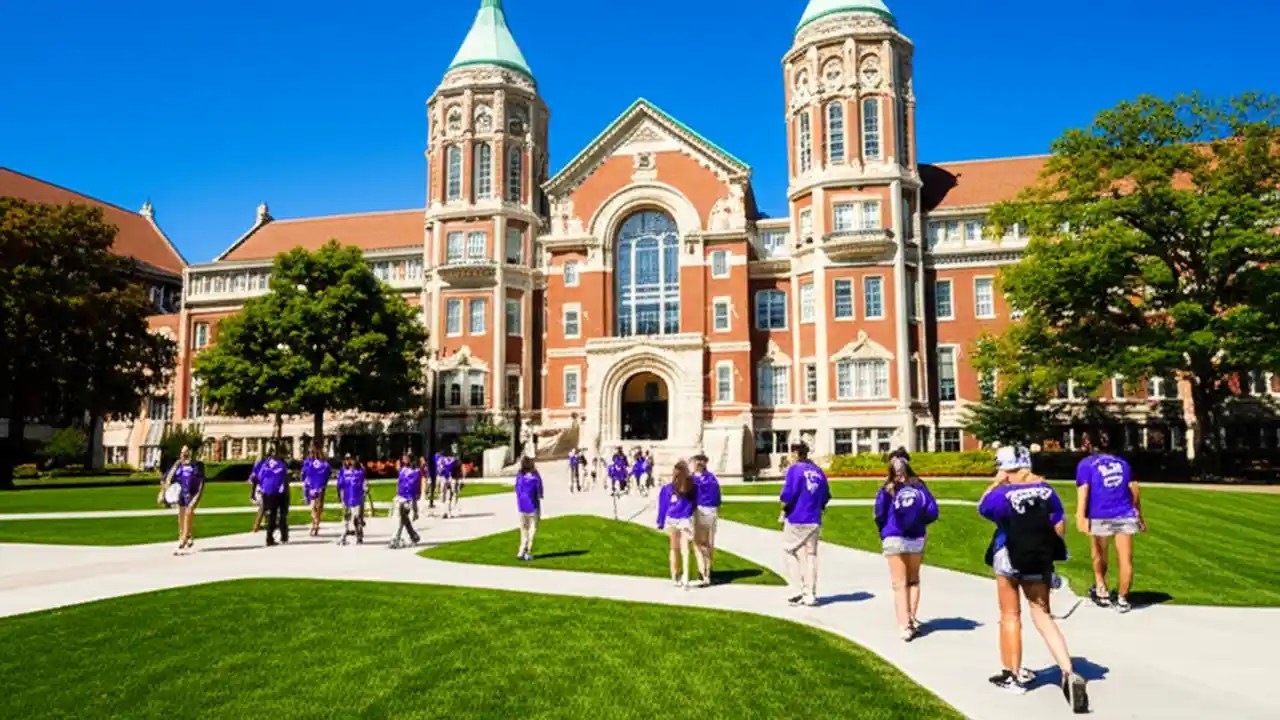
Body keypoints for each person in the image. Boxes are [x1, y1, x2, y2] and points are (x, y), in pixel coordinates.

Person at [979, 446, 1089, 713]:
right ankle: (1068, 670)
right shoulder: (1046, 490)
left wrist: (997, 483)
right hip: (1038, 558)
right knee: (1042, 614)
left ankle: (1012, 674)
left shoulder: (1001, 494)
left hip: (1007, 554)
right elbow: (1058, 524)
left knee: (1009, 615)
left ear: (1006, 469)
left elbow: (983, 508)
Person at [1075, 436, 1145, 612]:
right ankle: (1122, 598)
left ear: (1090, 445)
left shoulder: (1086, 464)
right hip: (1125, 514)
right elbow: (1134, 489)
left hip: (1100, 514)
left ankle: (1102, 589)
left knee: (1099, 554)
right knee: (1125, 559)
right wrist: (1138, 514)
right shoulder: (1123, 464)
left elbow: (1084, 491)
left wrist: (1081, 516)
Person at [874, 453, 939, 641]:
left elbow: (879, 513)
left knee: (898, 584)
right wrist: (920, 522)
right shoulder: (919, 486)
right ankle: (911, 618)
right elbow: (932, 511)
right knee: (913, 580)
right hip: (916, 537)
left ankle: (903, 626)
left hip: (893, 536)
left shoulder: (887, 488)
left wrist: (883, 529)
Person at [779, 442, 830, 607]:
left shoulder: (795, 470)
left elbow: (789, 494)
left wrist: (784, 508)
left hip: (797, 517)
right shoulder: (818, 471)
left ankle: (799, 588)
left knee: (790, 550)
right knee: (811, 555)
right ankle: (811, 592)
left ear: (795, 454)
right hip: (814, 517)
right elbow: (826, 495)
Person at [657, 460, 704, 588]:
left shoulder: (667, 489)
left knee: (673, 549)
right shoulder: (692, 487)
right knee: (685, 550)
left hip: (672, 519)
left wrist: (660, 522)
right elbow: (696, 502)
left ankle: (675, 576)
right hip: (685, 519)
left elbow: (663, 507)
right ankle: (686, 578)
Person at [159, 445, 204, 554]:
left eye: (186, 452)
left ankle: (183, 540)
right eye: (183, 452)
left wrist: (198, 495)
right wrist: (163, 493)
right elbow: (166, 479)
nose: (184, 454)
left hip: (193, 493)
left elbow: (201, 481)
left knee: (189, 512)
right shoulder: (177, 465)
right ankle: (185, 535)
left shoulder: (197, 465)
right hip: (182, 494)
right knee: (181, 515)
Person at [691, 452, 721, 583]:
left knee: (699, 543)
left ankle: (703, 571)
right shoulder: (712, 478)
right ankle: (706, 571)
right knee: (707, 543)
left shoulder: (694, 480)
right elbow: (718, 498)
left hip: (701, 510)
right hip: (711, 511)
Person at [257, 447, 291, 547]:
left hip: (268, 492)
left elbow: (260, 477)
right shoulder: (282, 465)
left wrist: (263, 488)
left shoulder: (265, 465)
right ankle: (284, 536)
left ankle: (269, 538)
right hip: (280, 492)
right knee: (282, 514)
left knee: (272, 515)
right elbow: (285, 478)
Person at [514, 456, 544, 561]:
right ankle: (527, 550)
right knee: (532, 529)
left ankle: (521, 549)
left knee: (523, 529)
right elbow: (540, 493)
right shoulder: (535, 477)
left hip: (521, 506)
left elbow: (516, 488)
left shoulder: (520, 476)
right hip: (533, 506)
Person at [390, 453, 422, 549]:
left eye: (405, 458)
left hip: (409, 499)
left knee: (401, 519)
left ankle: (396, 539)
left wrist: (417, 497)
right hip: (401, 497)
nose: (403, 460)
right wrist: (397, 494)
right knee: (403, 519)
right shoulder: (403, 470)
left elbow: (417, 485)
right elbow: (399, 482)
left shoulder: (416, 471)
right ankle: (413, 536)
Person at [301, 443, 332, 537]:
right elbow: (328, 473)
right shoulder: (324, 464)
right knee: (317, 507)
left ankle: (315, 523)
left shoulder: (309, 463)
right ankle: (315, 523)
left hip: (311, 487)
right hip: (319, 487)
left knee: (313, 506)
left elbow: (303, 474)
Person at [335, 454, 366, 545]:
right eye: (347, 459)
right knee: (347, 518)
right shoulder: (343, 472)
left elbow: (364, 483)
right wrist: (341, 497)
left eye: (351, 459)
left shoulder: (360, 472)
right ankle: (345, 534)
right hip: (347, 498)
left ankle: (359, 535)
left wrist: (365, 489)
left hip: (358, 498)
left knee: (357, 518)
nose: (350, 462)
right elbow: (340, 486)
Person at [436, 445, 462, 519]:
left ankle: (443, 512)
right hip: (449, 478)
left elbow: (438, 469)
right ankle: (448, 512)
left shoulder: (439, 459)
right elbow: (457, 463)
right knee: (449, 496)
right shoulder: (452, 460)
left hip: (442, 478)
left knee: (442, 496)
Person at [249, 452, 268, 533]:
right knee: (263, 506)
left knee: (265, 506)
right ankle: (256, 525)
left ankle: (263, 523)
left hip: (262, 487)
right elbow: (254, 479)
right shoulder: (261, 466)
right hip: (261, 488)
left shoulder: (260, 466)